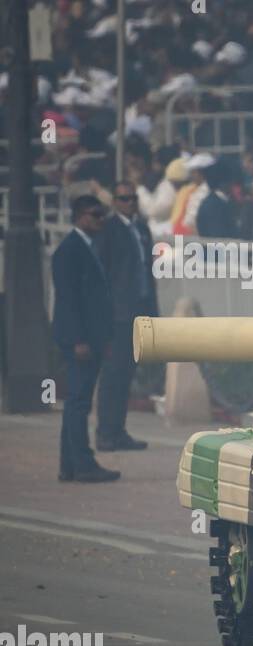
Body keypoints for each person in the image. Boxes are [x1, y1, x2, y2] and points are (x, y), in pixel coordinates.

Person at [51, 196, 119, 483]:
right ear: (79, 216)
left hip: (91, 337)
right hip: (79, 339)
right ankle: (82, 464)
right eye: (95, 215)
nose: (101, 220)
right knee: (78, 402)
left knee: (76, 401)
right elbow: (68, 299)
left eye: (102, 215)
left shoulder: (90, 247)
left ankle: (70, 464)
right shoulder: (69, 250)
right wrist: (79, 339)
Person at [94, 182, 158, 452]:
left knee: (127, 374)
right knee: (113, 374)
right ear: (114, 202)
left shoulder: (142, 229)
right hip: (118, 314)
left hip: (140, 309)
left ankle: (118, 430)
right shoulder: (107, 230)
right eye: (123, 198)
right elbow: (102, 275)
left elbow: (148, 270)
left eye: (133, 198)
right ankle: (106, 432)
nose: (129, 203)